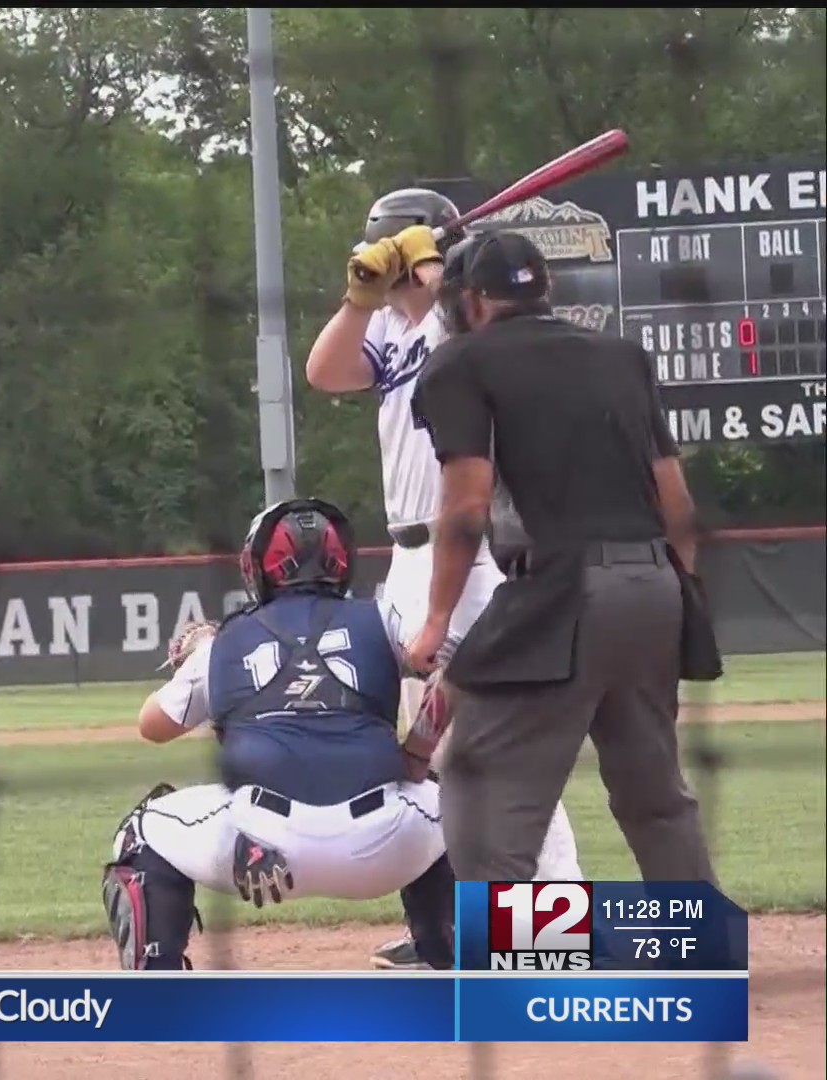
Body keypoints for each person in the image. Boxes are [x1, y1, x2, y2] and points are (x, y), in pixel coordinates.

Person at [304, 190, 582, 970]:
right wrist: (361, 299)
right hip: (406, 559)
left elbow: (455, 309)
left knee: (501, 753)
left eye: (387, 251)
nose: (384, 265)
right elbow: (324, 372)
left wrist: (428, 264)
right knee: (424, 758)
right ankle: (450, 929)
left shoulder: (465, 322)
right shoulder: (392, 326)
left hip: (468, 557)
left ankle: (551, 935)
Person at [404, 230, 719, 885]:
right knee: (656, 803)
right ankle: (702, 970)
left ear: (473, 301)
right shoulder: (621, 356)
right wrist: (672, 595)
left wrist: (434, 621)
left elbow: (466, 505)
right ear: (545, 289)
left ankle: (529, 980)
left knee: (481, 794)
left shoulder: (462, 362)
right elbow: (677, 504)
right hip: (654, 586)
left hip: (561, 593)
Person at [100, 498, 457, 972]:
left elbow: (153, 726)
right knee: (479, 810)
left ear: (258, 567)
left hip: (257, 850)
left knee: (139, 832)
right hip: (384, 847)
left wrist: (202, 659)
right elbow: (456, 671)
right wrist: (416, 750)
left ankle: (157, 978)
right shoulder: (381, 617)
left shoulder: (226, 639)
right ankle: (456, 950)